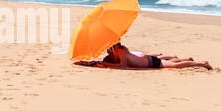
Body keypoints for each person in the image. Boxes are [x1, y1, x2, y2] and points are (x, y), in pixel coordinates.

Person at [78, 42, 211, 70]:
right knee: (167, 61)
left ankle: (202, 63)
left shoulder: (122, 51)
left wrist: (109, 65)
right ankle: (187, 59)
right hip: (145, 59)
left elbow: (123, 66)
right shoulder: (118, 51)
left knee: (174, 66)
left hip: (150, 63)